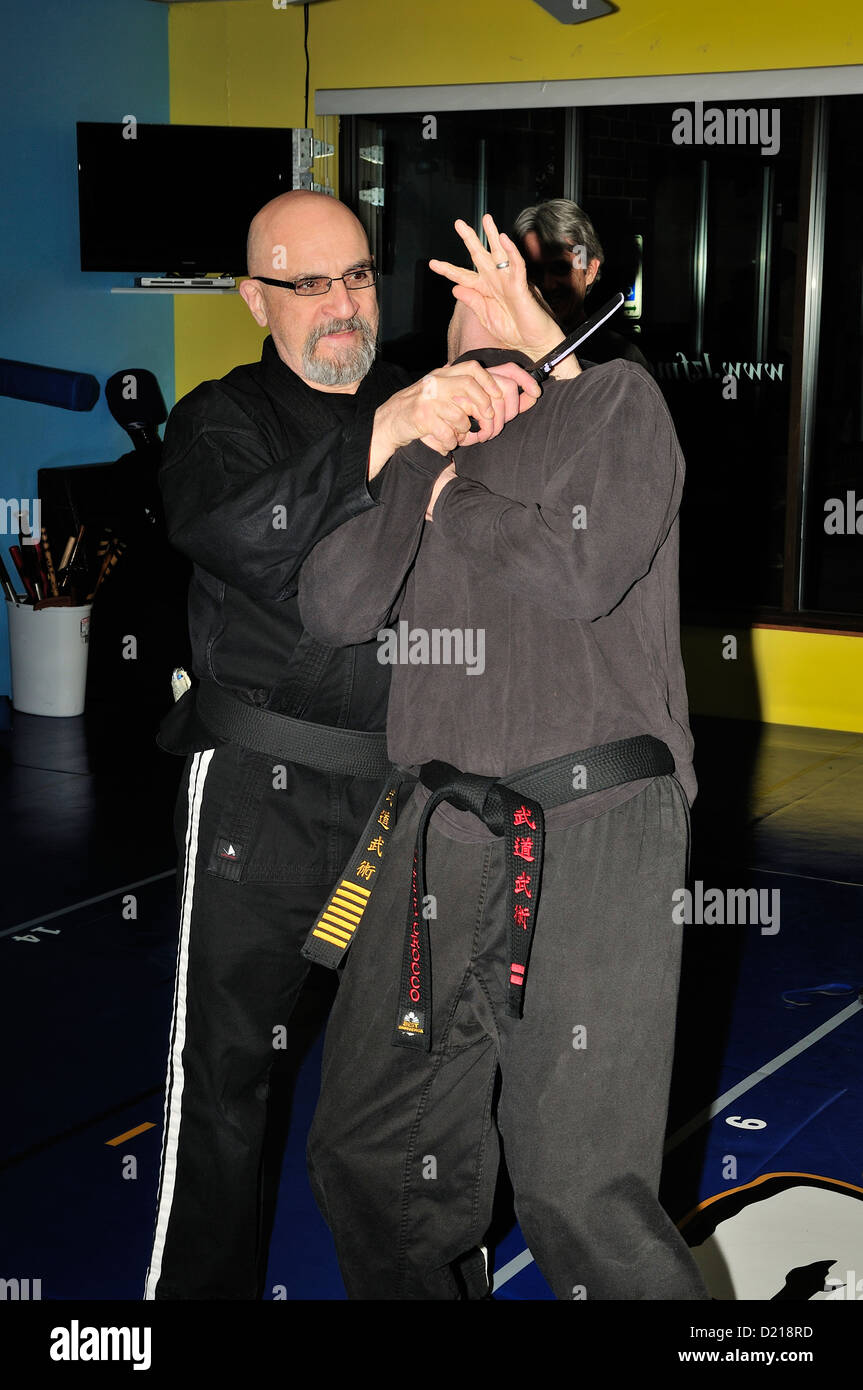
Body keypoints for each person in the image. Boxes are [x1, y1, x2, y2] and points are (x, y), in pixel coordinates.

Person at [299, 214, 709, 1301]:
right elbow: (334, 607)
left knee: (580, 1193)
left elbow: (580, 566)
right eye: (458, 292)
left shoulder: (614, 405)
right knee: (368, 1153)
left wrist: (522, 388)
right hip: (434, 837)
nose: (472, 307)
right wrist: (403, 447)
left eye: (503, 290)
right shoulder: (422, 451)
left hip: (593, 830)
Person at [144, 190, 538, 1300]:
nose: (339, 304)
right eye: (307, 282)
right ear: (254, 297)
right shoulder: (219, 420)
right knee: (224, 1084)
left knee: (411, 1085)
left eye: (356, 276)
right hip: (256, 808)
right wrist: (397, 424)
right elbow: (234, 534)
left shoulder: (427, 402)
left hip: (403, 803)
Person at [513, 197, 652, 372]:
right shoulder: (505, 349)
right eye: (534, 271)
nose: (547, 284)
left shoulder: (621, 360)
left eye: (560, 268)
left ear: (590, 271)